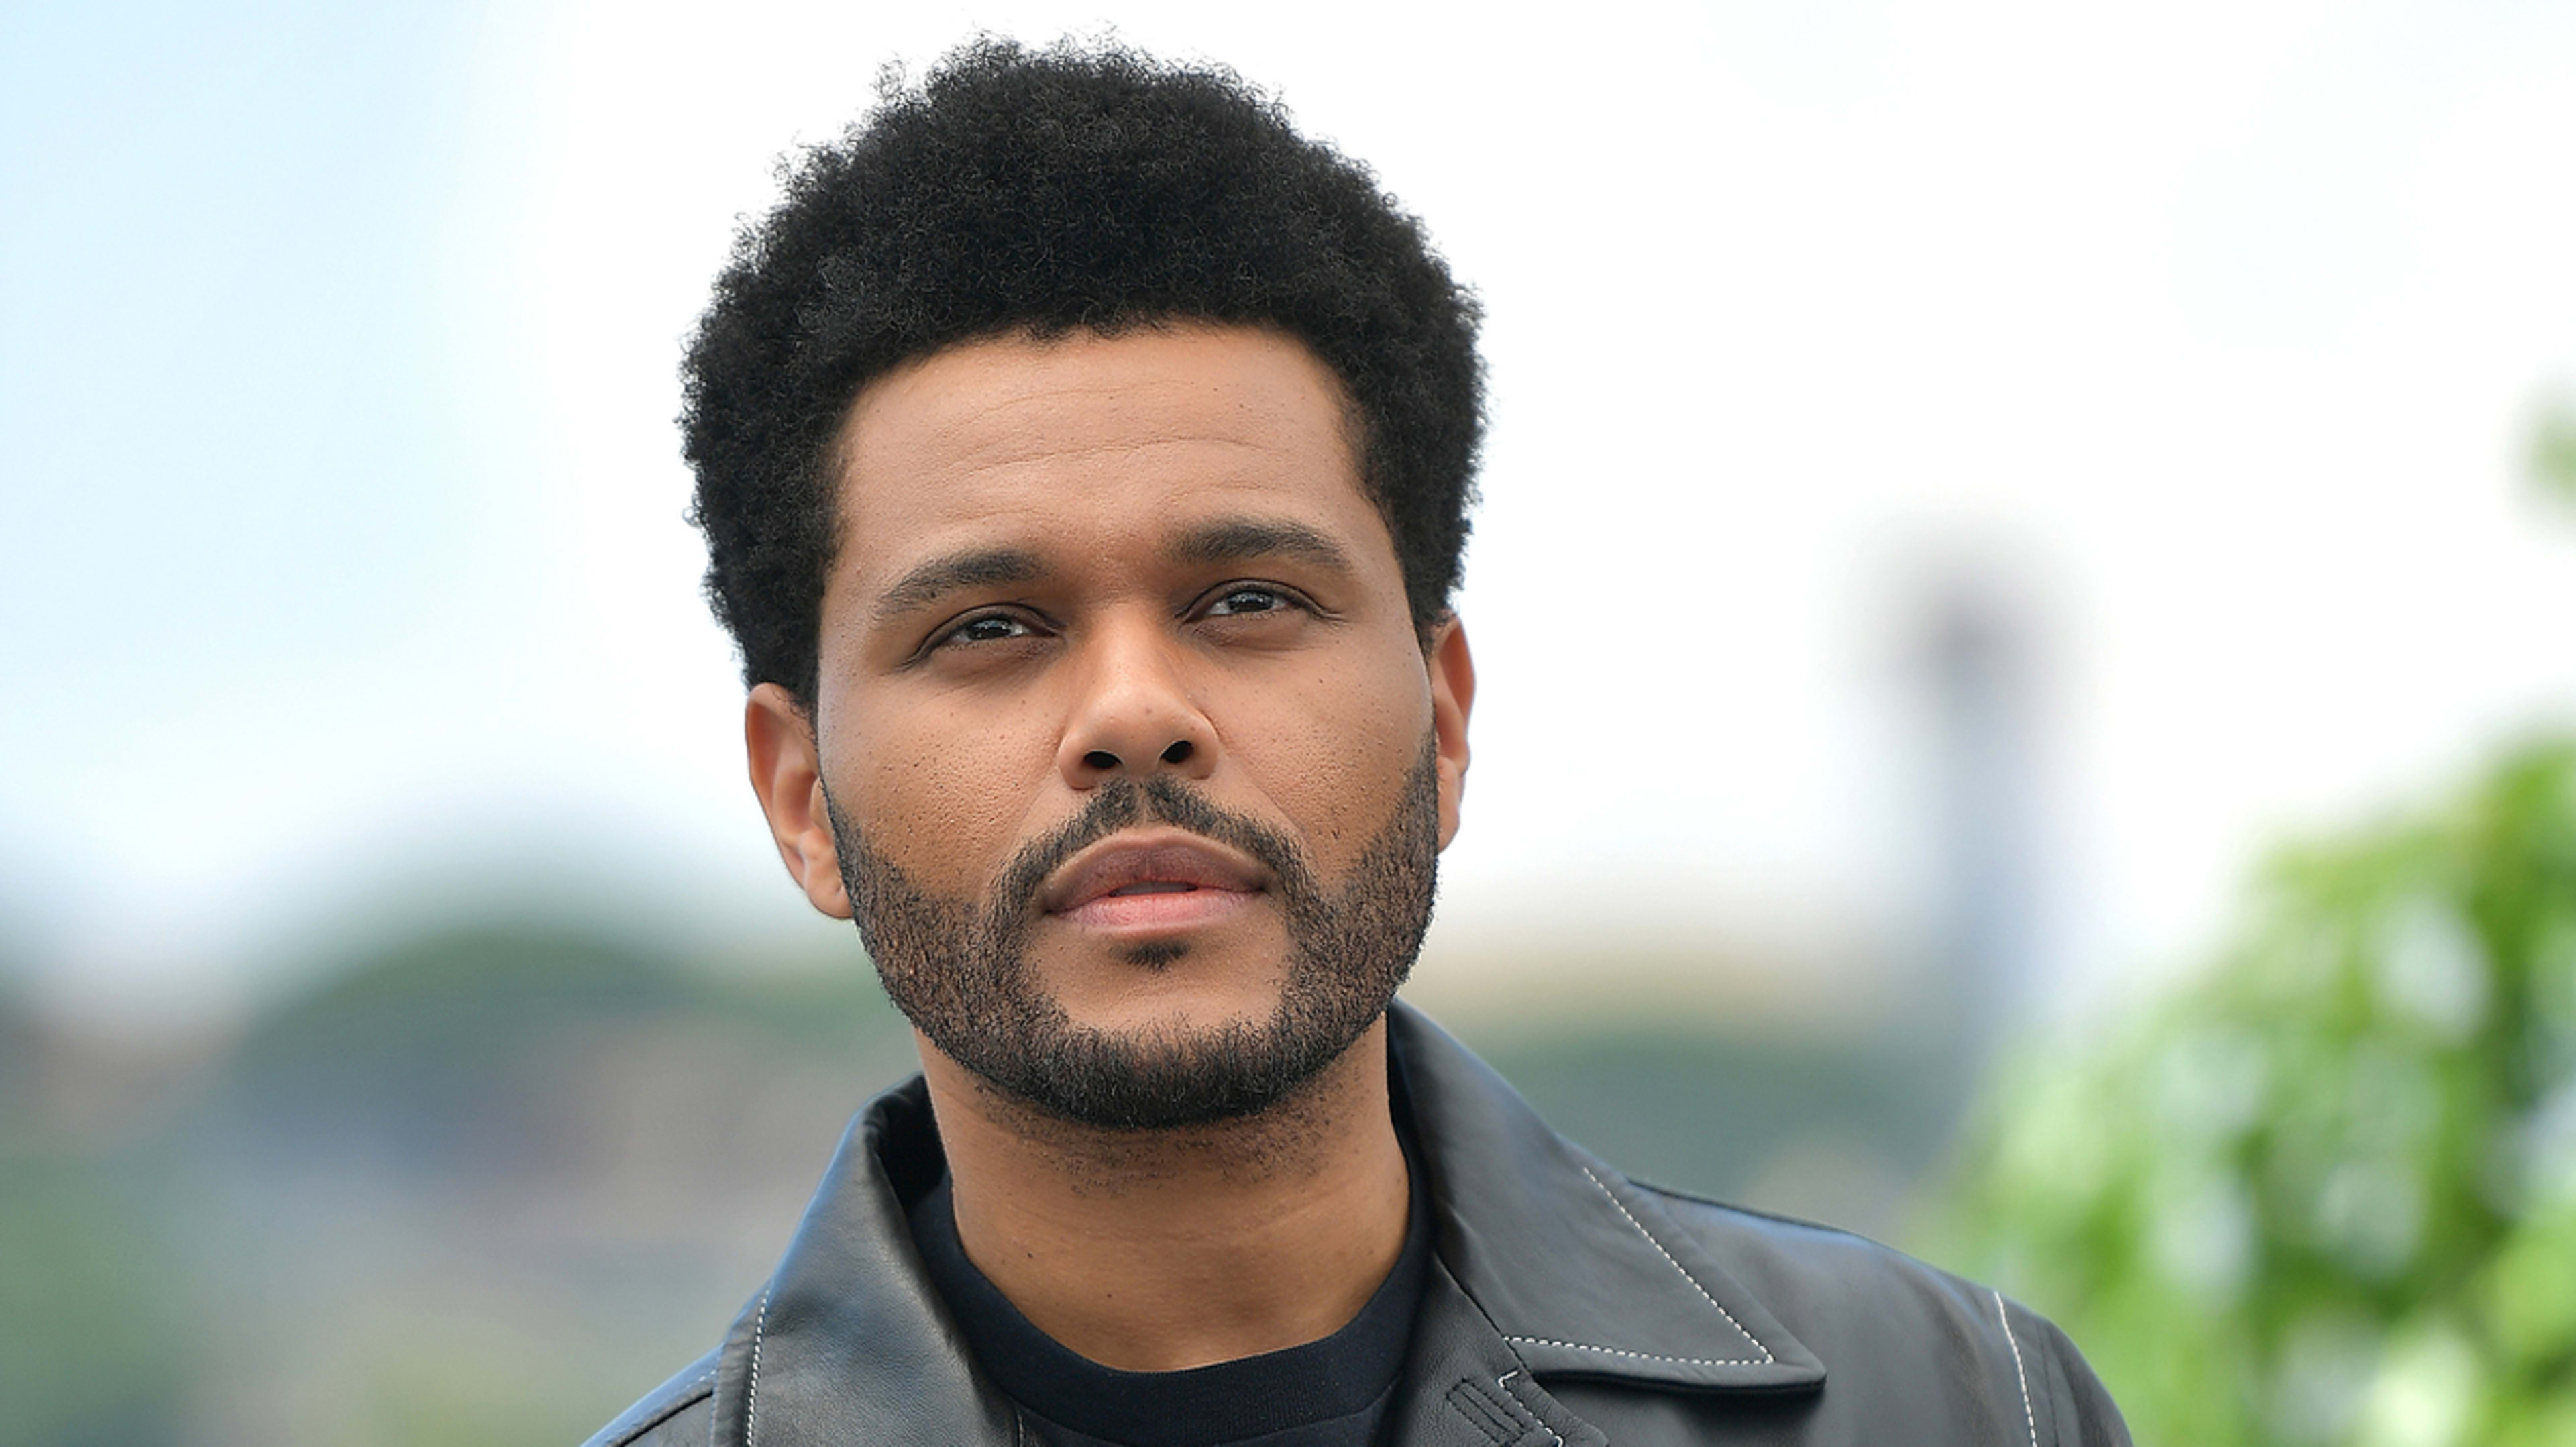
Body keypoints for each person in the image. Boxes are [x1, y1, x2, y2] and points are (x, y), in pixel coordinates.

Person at [587, 38, 2128, 1447]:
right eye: (990, 626)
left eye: (1247, 596)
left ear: (1444, 719)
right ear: (800, 799)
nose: (1136, 710)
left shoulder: (1954, 1402)